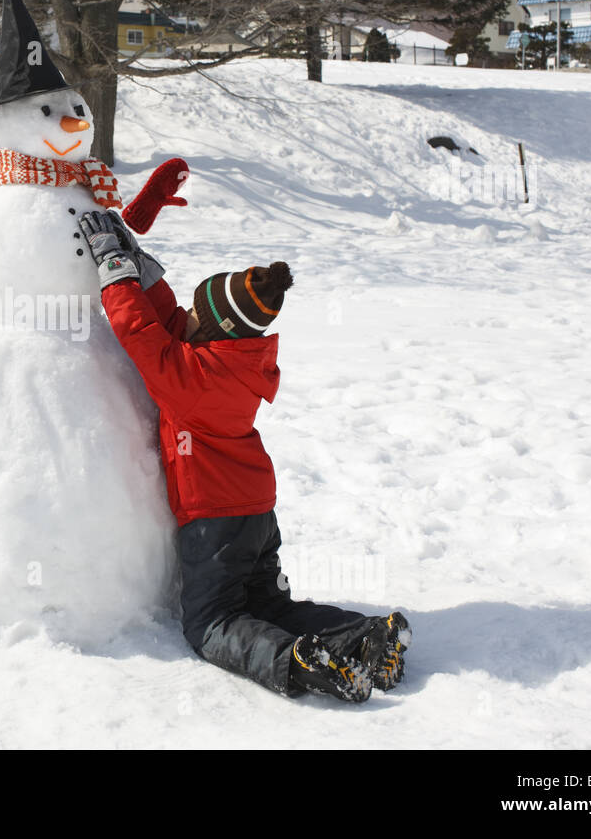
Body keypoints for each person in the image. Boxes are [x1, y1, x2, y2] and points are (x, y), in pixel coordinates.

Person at [78, 211, 410, 703]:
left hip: (215, 522)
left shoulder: (189, 379)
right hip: (255, 511)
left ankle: (296, 664)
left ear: (214, 331)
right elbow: (170, 321)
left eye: (196, 314)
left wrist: (114, 270)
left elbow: (142, 335)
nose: (185, 318)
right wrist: (137, 260)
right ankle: (367, 635)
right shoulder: (232, 362)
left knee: (214, 624)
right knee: (268, 603)